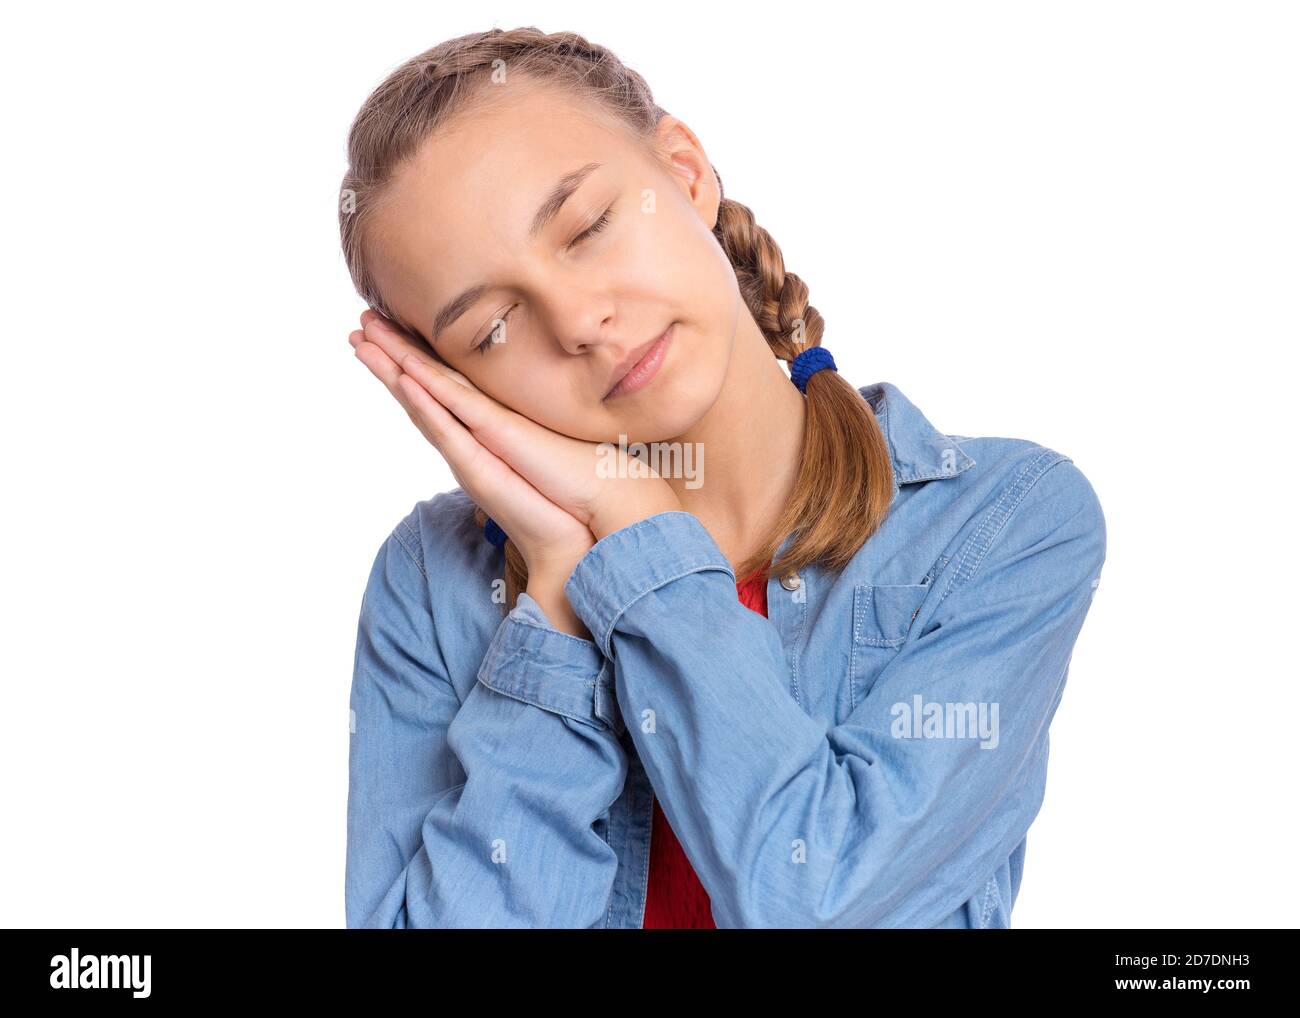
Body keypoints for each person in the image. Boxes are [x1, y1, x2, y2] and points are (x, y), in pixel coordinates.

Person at [338, 27, 1107, 929]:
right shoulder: (434, 583)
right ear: (454, 387)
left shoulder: (1005, 522)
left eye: (587, 227)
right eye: (494, 329)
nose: (582, 321)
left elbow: (816, 900)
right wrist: (555, 602)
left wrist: (637, 538)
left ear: (685, 172)